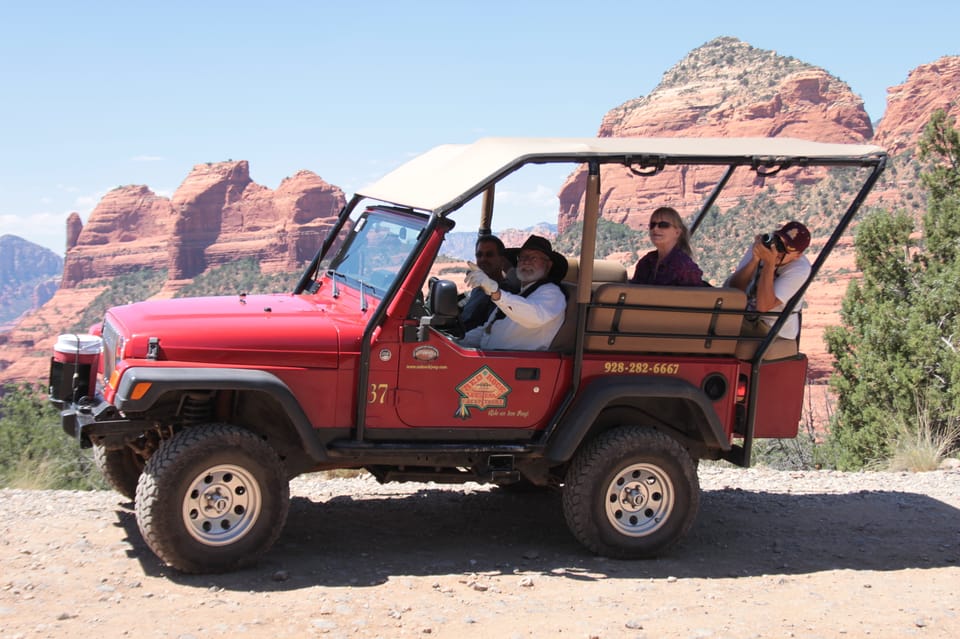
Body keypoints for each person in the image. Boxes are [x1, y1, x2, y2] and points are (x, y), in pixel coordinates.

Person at [459, 235, 567, 350]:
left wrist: (496, 293)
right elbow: (487, 330)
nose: (526, 262)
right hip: (493, 360)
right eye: (522, 257)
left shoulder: (552, 292)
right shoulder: (518, 294)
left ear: (548, 265)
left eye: (533, 258)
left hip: (520, 364)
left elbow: (533, 316)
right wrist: (455, 342)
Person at [726, 220, 812, 341]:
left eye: (784, 249)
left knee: (719, 326)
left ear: (798, 255)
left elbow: (764, 306)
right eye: (778, 243)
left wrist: (769, 264)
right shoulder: (763, 248)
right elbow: (734, 288)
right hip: (747, 317)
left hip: (773, 328)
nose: (777, 251)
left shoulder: (800, 269)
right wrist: (754, 261)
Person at [630, 206, 705, 286]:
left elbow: (696, 296)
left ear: (677, 232)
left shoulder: (684, 267)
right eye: (652, 225)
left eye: (663, 225)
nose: (655, 229)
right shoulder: (647, 262)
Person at [460, 235, 510, 332]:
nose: (483, 259)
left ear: (502, 260)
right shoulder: (478, 288)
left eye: (489, 255)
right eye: (479, 255)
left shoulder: (503, 294)